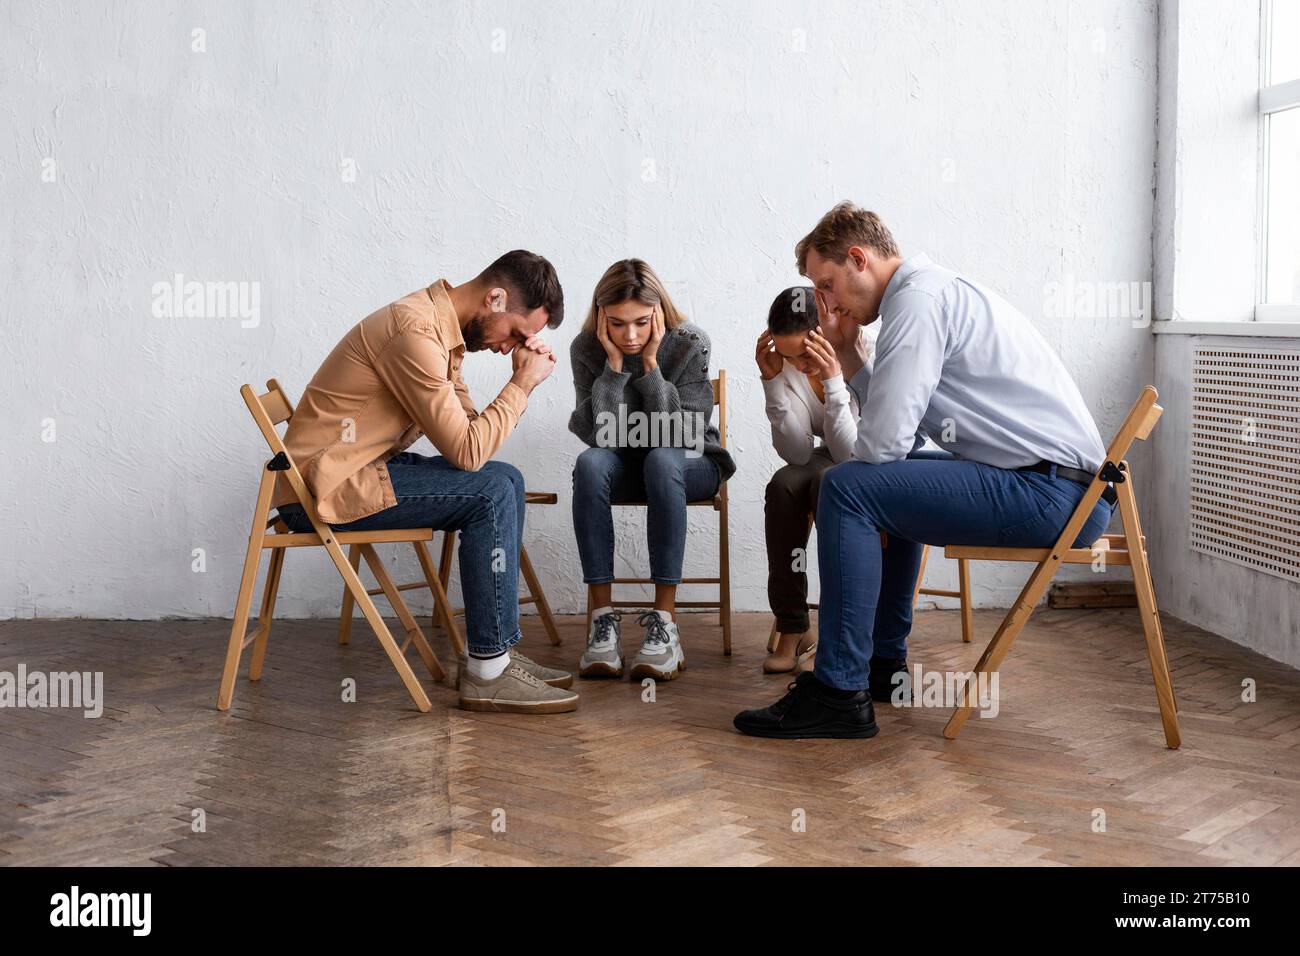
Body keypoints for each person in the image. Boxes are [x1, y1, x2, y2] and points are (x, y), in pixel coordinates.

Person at [734, 202, 1115, 739]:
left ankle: (838, 692)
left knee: (846, 489)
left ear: (859, 259)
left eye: (827, 284)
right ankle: (882, 667)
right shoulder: (927, 294)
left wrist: (847, 383)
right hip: (1061, 488)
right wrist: (849, 358)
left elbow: (881, 448)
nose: (826, 303)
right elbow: (902, 440)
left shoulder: (916, 303)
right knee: (883, 481)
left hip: (1052, 495)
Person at [272, 250, 580, 715]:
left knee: (506, 480)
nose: (508, 348)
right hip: (321, 489)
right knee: (491, 493)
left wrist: (515, 384)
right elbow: (469, 451)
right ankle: (488, 672)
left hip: (360, 470)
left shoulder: (441, 330)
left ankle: (492, 656)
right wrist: (521, 385)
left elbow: (472, 432)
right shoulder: (413, 333)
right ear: (495, 298)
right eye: (516, 333)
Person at [568, 259, 737, 682]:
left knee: (662, 458)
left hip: (691, 462)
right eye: (619, 324)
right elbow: (598, 436)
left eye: (641, 323)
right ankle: (602, 624)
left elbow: (682, 432)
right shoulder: (586, 348)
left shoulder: (690, 342)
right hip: (626, 461)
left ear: (658, 313)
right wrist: (611, 369)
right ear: (602, 317)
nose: (629, 335)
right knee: (589, 465)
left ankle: (664, 623)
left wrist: (649, 366)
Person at [757, 286, 872, 674]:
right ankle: (793, 628)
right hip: (831, 454)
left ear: (825, 331)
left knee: (829, 481)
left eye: (806, 354)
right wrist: (773, 382)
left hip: (870, 454)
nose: (800, 365)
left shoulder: (860, 352)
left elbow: (848, 455)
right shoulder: (787, 367)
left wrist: (835, 382)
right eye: (789, 357)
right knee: (784, 484)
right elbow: (797, 453)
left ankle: (835, 630)